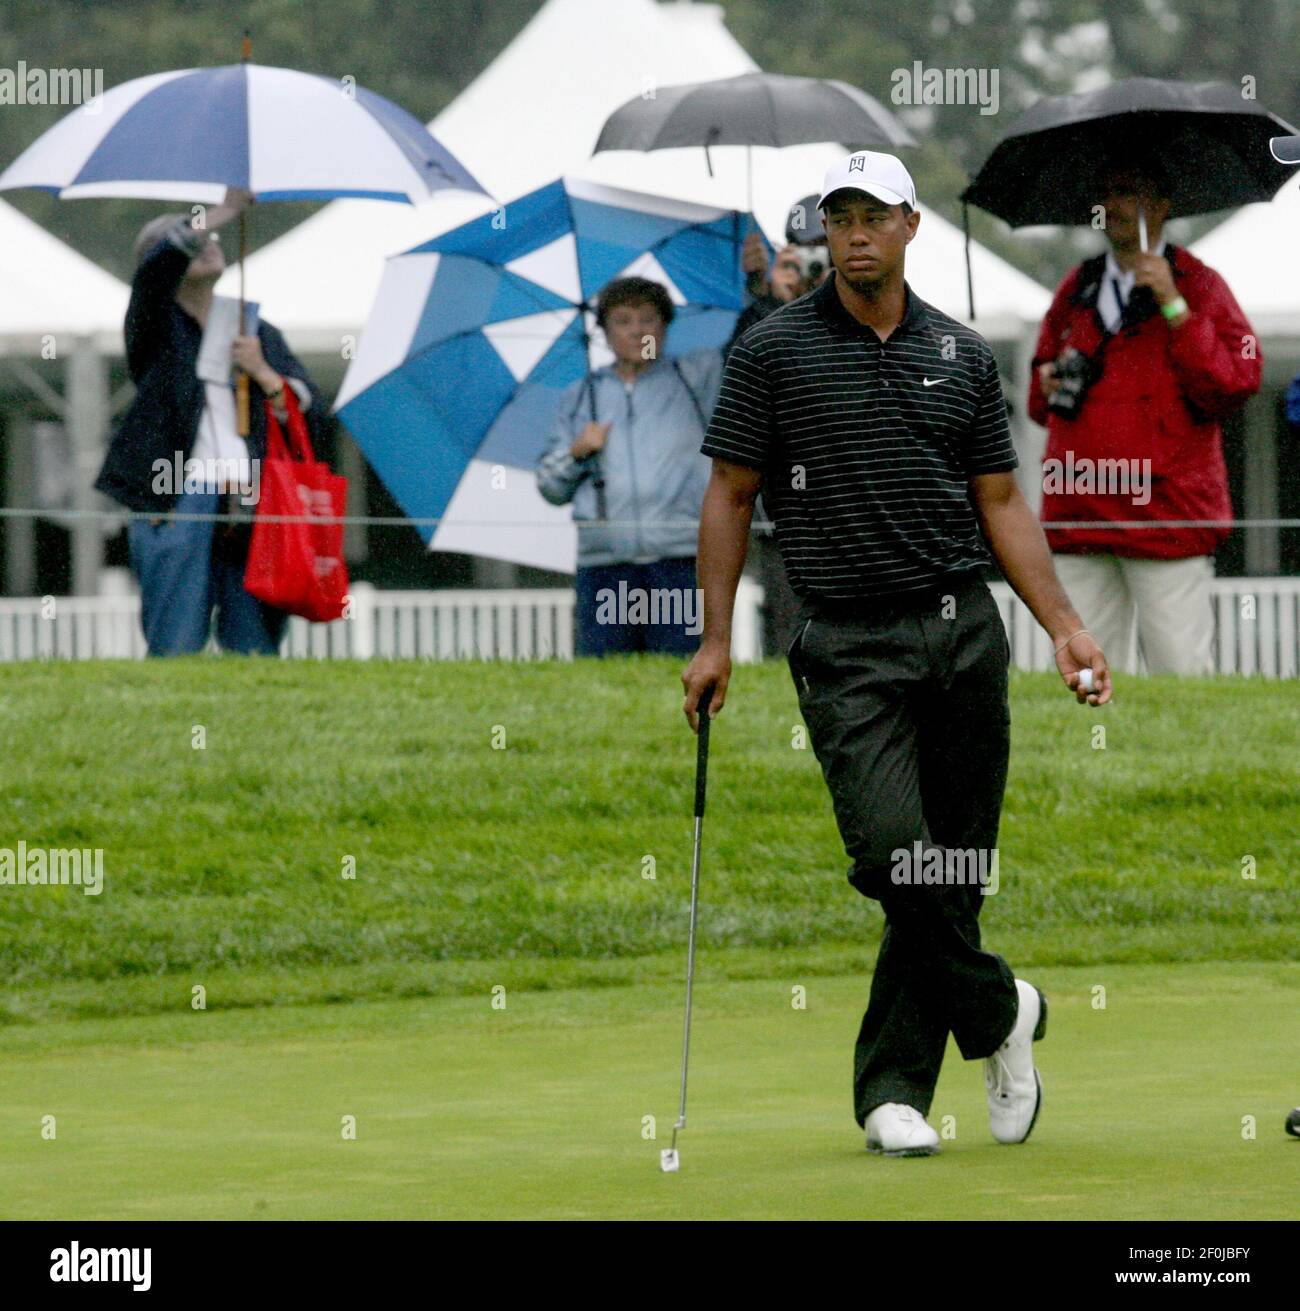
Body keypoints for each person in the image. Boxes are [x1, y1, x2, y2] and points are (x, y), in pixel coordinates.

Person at [681, 150, 1113, 1158]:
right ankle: (1000, 1005)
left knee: (952, 869)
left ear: (911, 225)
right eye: (839, 217)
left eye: (873, 214)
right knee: (891, 855)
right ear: (824, 232)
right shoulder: (772, 352)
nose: (855, 232)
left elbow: (1001, 503)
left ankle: (892, 1094)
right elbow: (730, 494)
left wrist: (1064, 627)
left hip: (963, 632)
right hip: (845, 640)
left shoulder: (960, 355)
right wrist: (711, 639)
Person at [1029, 160, 1261, 676]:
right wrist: (1044, 378)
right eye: (1107, 192)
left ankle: (1189, 760)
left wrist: (1175, 306)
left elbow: (1232, 384)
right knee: (1084, 676)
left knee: (1181, 674)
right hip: (1080, 511)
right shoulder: (1077, 288)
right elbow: (1037, 397)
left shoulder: (1200, 284)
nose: (1112, 206)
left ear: (1161, 206)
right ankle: (1091, 757)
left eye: (1129, 192)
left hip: (1166, 516)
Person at [96, 190, 325, 657]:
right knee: (175, 640)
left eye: (215, 237)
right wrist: (223, 213)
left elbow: (309, 411)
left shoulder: (254, 329)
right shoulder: (154, 322)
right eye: (194, 240)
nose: (209, 243)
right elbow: (157, 268)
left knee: (254, 643)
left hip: (251, 492)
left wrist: (263, 373)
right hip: (175, 486)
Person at [536, 275, 722, 656]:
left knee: (679, 676)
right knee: (604, 682)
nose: (637, 331)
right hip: (604, 566)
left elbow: (748, 342)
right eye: (622, 321)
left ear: (665, 326)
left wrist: (757, 286)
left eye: (648, 319)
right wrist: (577, 452)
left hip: (680, 561)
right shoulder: (579, 396)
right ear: (603, 333)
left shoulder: (697, 377)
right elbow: (550, 488)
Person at [725, 197, 833, 658]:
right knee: (790, 637)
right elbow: (745, 394)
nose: (811, 259)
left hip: (858, 505)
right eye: (800, 248)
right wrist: (766, 301)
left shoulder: (872, 296)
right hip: (786, 511)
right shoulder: (768, 313)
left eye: (820, 247)